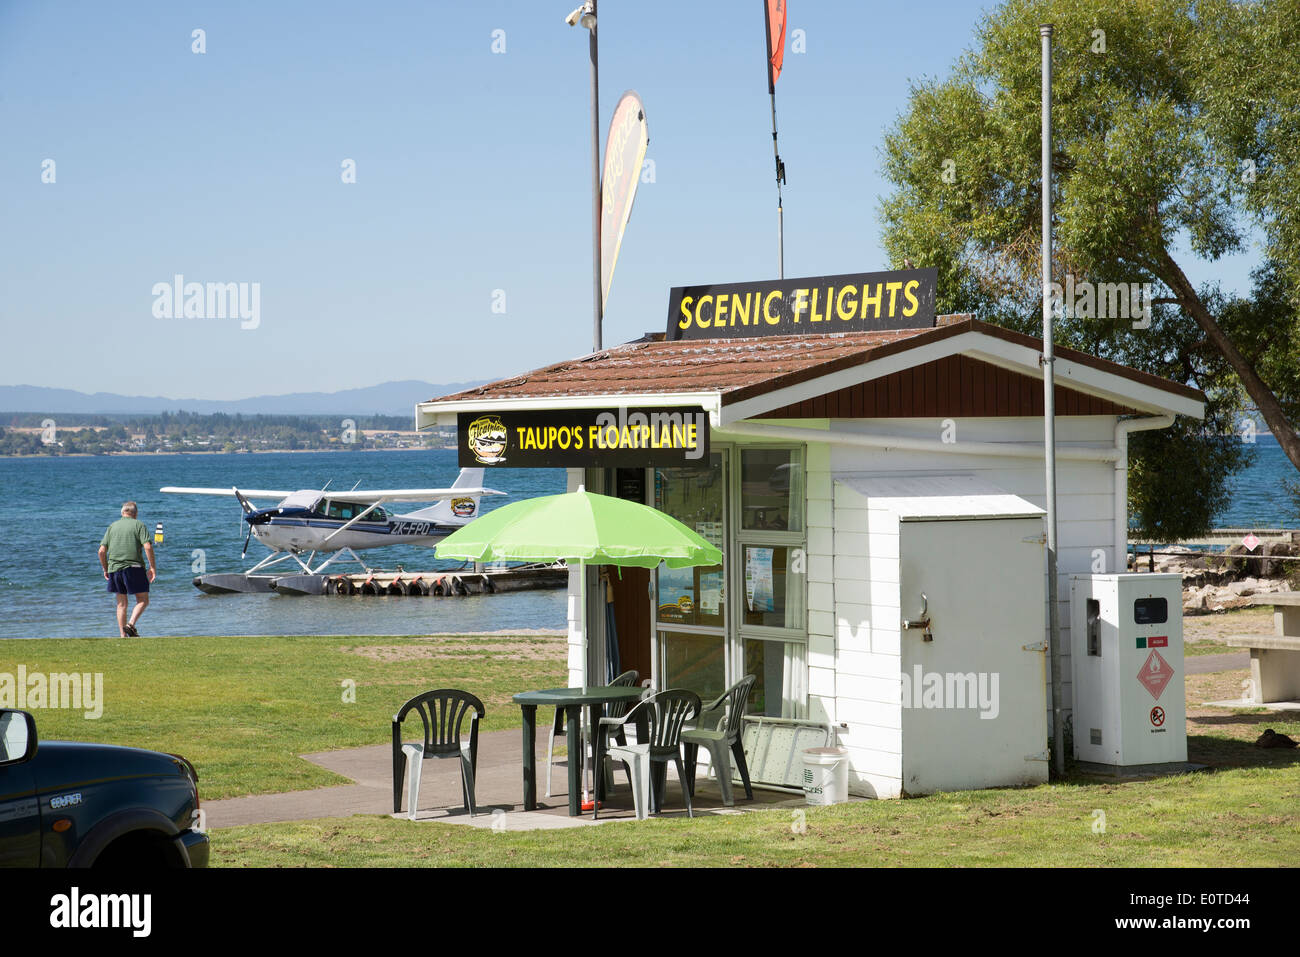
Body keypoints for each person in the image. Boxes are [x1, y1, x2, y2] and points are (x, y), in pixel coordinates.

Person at [98, 501, 156, 637]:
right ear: (135, 513)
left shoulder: (112, 526)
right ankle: (130, 625)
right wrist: (152, 567)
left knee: (121, 604)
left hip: (115, 569)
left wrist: (105, 569)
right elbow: (147, 546)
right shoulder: (139, 525)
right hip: (133, 567)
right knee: (143, 600)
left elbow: (101, 551)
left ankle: (123, 636)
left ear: (122, 512)